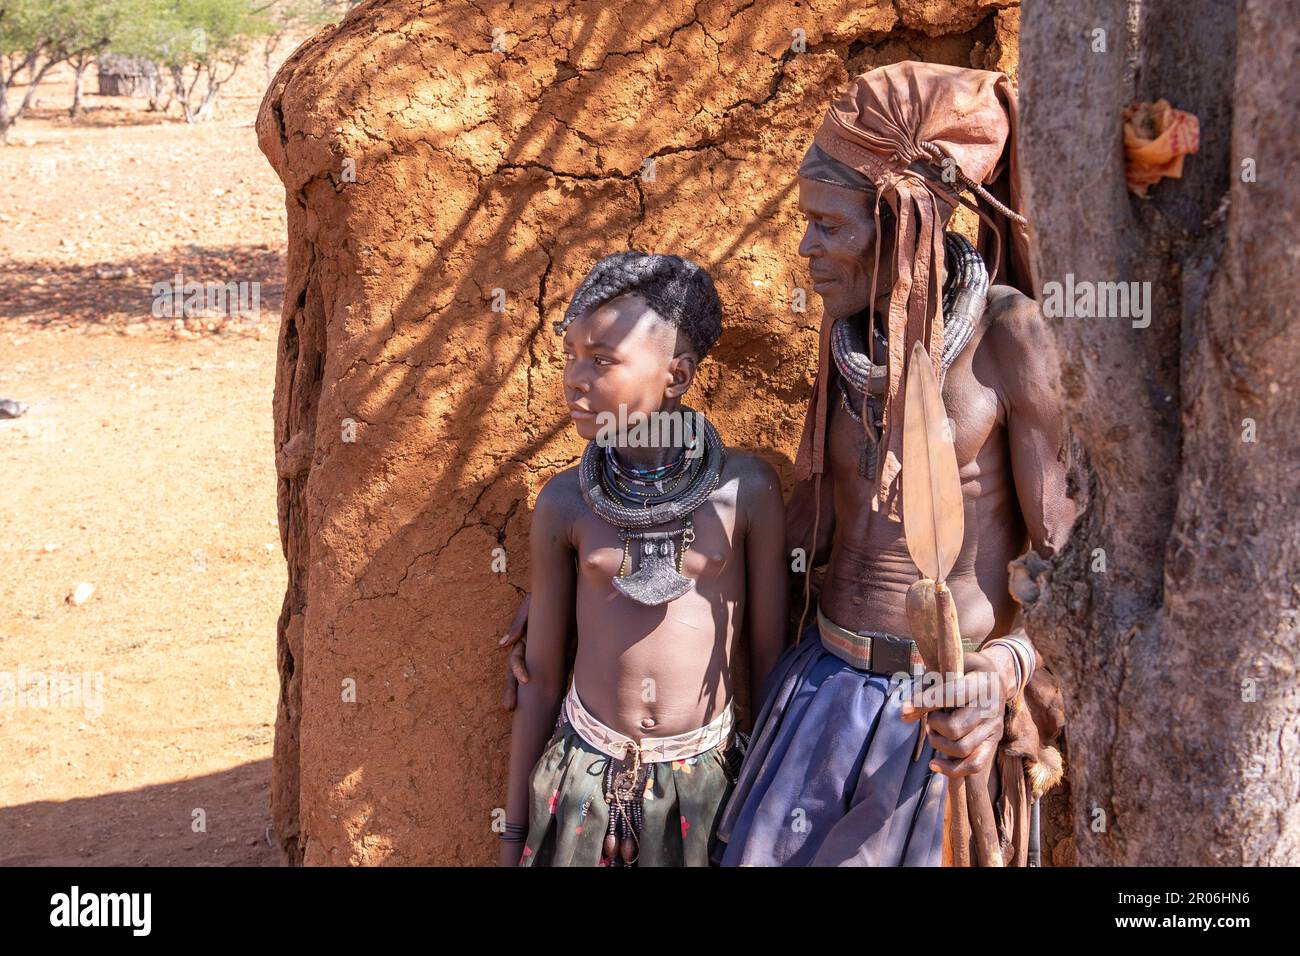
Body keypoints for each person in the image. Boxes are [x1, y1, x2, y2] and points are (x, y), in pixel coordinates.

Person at [499, 251, 788, 866]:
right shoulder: (564, 503)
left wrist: (764, 808)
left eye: (602, 360)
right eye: (570, 355)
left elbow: (768, 664)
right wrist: (513, 833)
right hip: (583, 777)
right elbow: (542, 676)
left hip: (705, 783)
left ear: (676, 375)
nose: (576, 377)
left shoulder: (745, 493)